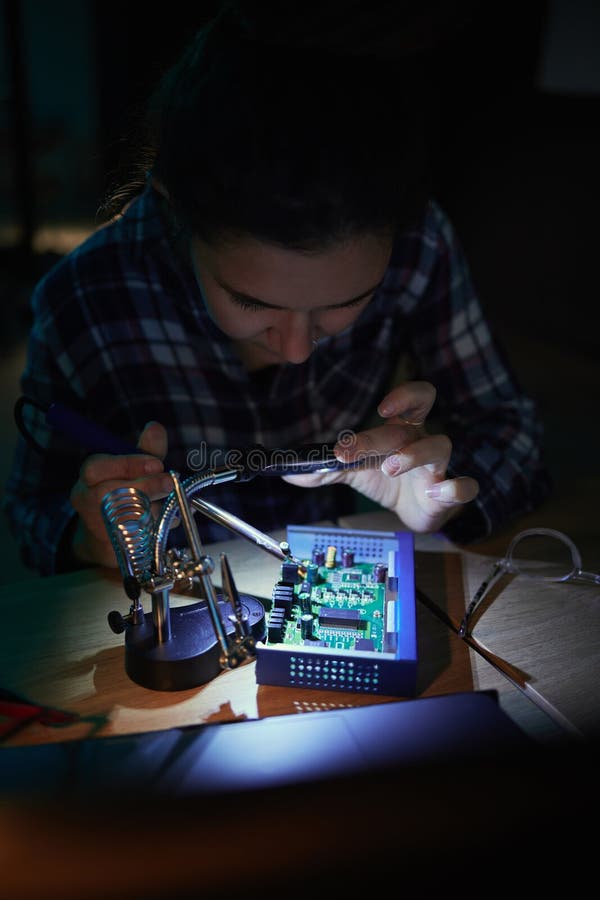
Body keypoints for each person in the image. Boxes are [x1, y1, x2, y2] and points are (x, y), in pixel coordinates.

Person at [3, 2, 551, 576]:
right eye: (251, 302)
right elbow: (31, 511)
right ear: (174, 210)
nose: (295, 351)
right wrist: (89, 536)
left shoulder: (420, 245)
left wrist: (437, 494)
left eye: (345, 304)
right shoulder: (82, 300)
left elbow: (513, 434)